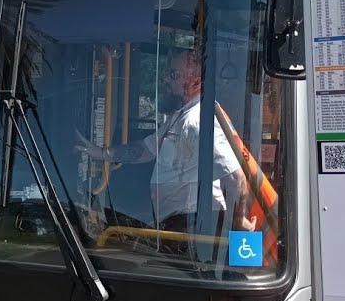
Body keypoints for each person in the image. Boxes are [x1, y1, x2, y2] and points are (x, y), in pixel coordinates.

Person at [74, 50, 255, 242]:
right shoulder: (180, 117)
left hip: (194, 227)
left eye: (173, 74)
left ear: (196, 81)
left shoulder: (200, 119)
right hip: (179, 224)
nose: (166, 80)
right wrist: (99, 153)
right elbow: (144, 150)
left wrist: (238, 221)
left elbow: (236, 178)